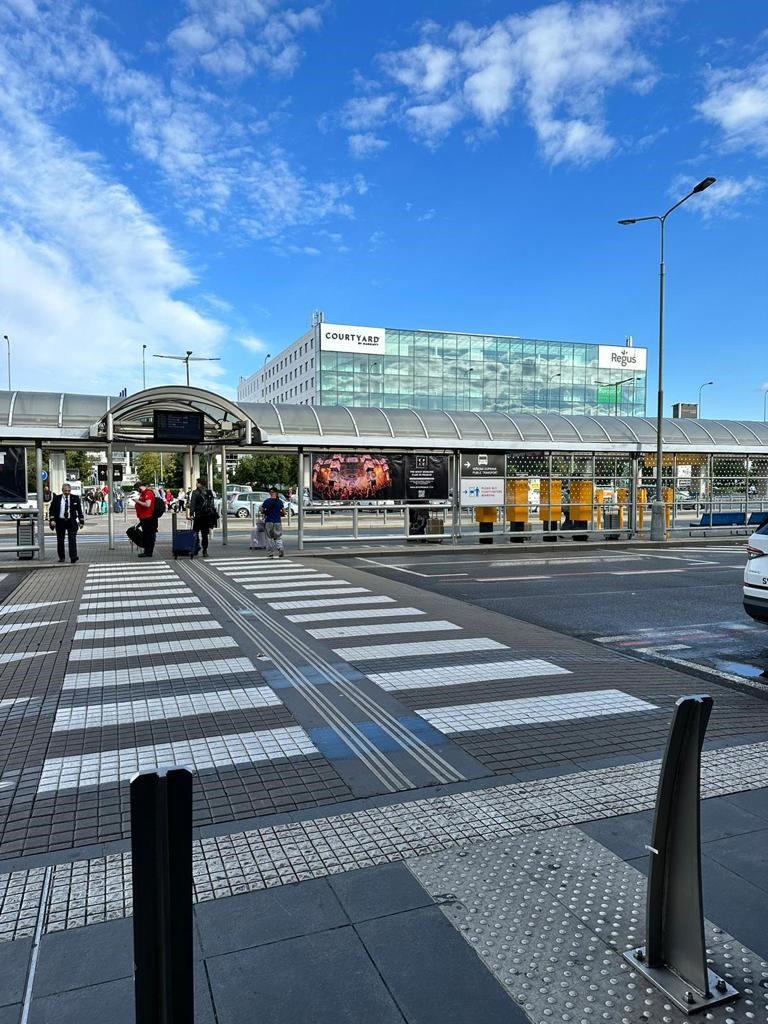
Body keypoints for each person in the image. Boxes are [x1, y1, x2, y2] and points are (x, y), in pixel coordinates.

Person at [49, 483, 84, 563]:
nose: (67, 492)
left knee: (72, 539)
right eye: (65, 491)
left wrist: (81, 521)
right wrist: (52, 520)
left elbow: (79, 511)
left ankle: (73, 557)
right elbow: (52, 510)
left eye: (68, 490)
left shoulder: (75, 498)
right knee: (60, 540)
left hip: (71, 521)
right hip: (60, 521)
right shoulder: (57, 498)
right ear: (62, 491)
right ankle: (61, 557)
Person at [189, 478, 217, 557]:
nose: (196, 484)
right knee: (205, 534)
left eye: (197, 483)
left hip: (198, 516)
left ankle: (197, 546)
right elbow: (212, 504)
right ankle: (205, 551)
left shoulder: (195, 492)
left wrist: (191, 514)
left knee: (195, 532)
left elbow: (192, 504)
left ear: (200, 484)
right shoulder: (209, 492)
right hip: (207, 516)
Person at [134, 479, 158, 558]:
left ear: (139, 487)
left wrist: (137, 501)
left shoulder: (148, 493)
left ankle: (148, 552)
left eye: (138, 490)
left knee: (149, 535)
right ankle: (147, 551)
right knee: (146, 535)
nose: (138, 492)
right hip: (144, 518)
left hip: (148, 517)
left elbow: (148, 504)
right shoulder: (143, 493)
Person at [260, 487, 285, 558]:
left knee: (269, 538)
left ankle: (270, 553)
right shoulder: (280, 502)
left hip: (268, 521)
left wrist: (266, 512)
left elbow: (262, 510)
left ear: (270, 493)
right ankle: (280, 549)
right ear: (277, 493)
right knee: (278, 537)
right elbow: (284, 512)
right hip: (277, 521)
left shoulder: (266, 501)